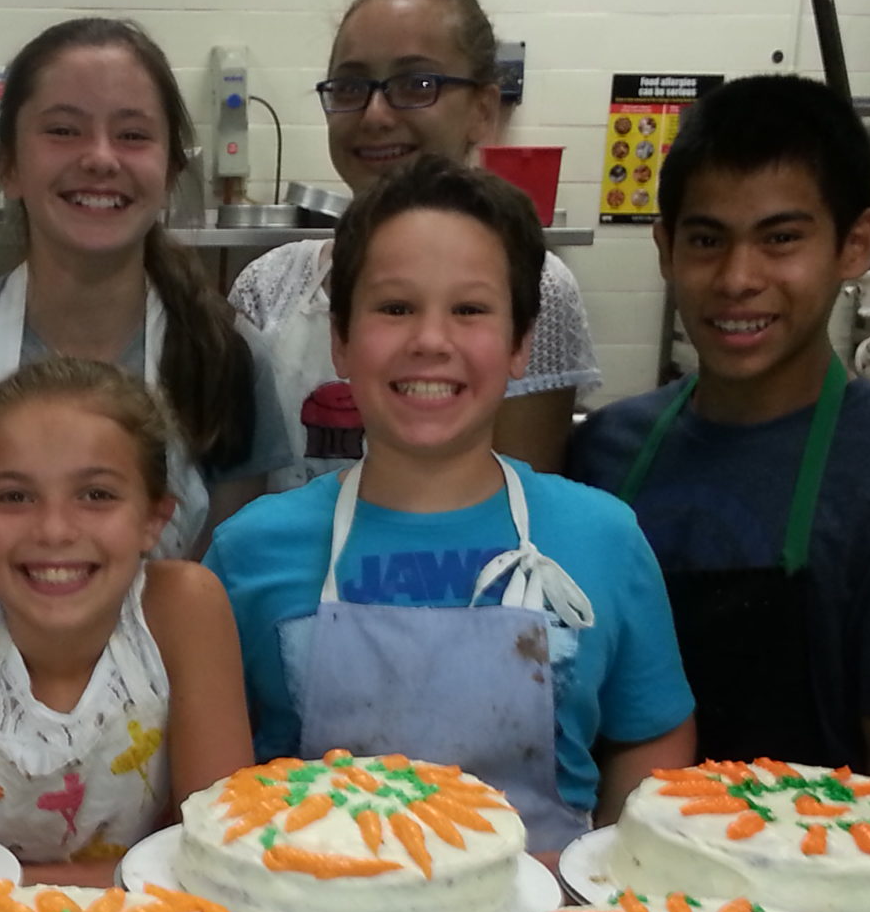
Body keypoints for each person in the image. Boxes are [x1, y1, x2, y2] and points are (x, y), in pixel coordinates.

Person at [204, 155, 693, 856]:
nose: (431, 341)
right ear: (341, 341)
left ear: (521, 344)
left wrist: (611, 874)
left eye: (469, 310)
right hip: (319, 910)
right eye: (395, 308)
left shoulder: (603, 538)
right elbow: (213, 781)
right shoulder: (250, 550)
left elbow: (650, 732)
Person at [567, 72, 870, 776]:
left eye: (781, 238)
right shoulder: (603, 453)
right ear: (665, 247)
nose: (737, 278)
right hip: (605, 839)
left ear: (855, 244)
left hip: (808, 842)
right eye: (707, 240)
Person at [0, 16, 291, 574]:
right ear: (9, 166)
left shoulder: (229, 357)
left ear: (170, 173)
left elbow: (227, 590)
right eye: (64, 130)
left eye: (133, 135)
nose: (100, 158)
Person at [0, 358, 254, 884]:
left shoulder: (184, 610)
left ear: (154, 518)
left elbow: (220, 858)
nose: (53, 530)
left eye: (96, 495)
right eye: (15, 497)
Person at [229, 0, 600, 486]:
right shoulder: (268, 286)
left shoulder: (535, 285)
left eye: (417, 84)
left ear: (482, 109)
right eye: (351, 86)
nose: (375, 114)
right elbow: (242, 495)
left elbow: (524, 504)